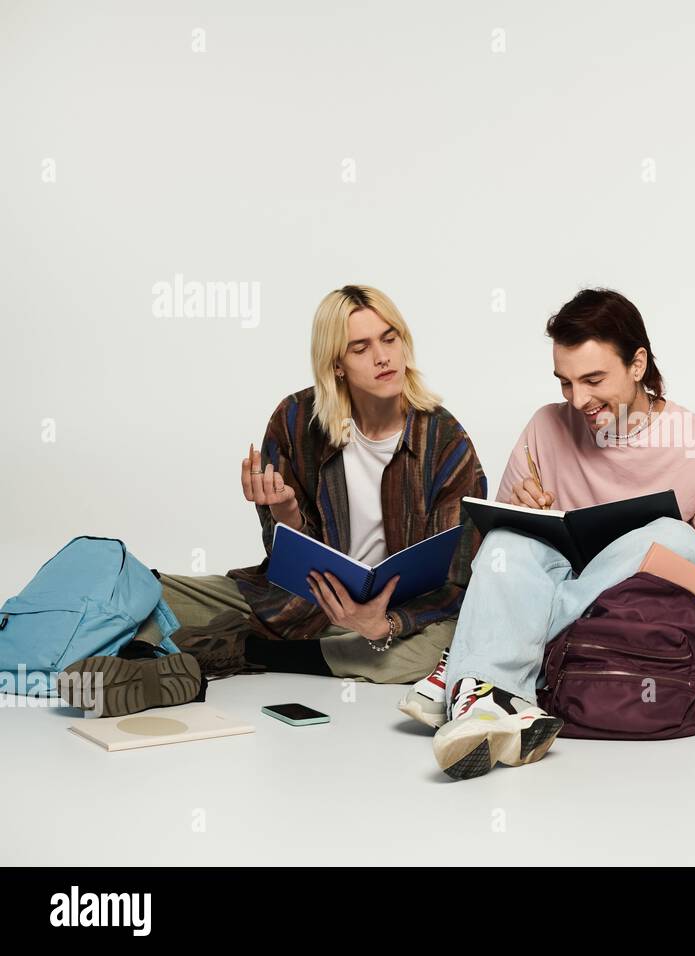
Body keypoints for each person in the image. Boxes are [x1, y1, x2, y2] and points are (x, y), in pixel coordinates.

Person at [63, 285, 487, 717]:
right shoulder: (296, 418)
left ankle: (244, 651)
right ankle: (147, 667)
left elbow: (458, 578)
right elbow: (284, 558)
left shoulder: (444, 440)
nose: (383, 357)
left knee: (433, 655)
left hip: (393, 619)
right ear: (335, 365)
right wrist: (284, 512)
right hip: (302, 604)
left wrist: (385, 623)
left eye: (390, 338)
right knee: (155, 591)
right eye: (361, 347)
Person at [407, 288, 695, 780]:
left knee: (672, 537)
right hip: (558, 602)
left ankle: (472, 667)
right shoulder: (547, 426)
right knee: (507, 541)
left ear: (637, 364)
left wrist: (634, 551)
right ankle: (488, 704)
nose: (578, 399)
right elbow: (498, 562)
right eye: (565, 382)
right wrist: (520, 510)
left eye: (593, 379)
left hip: (638, 625)